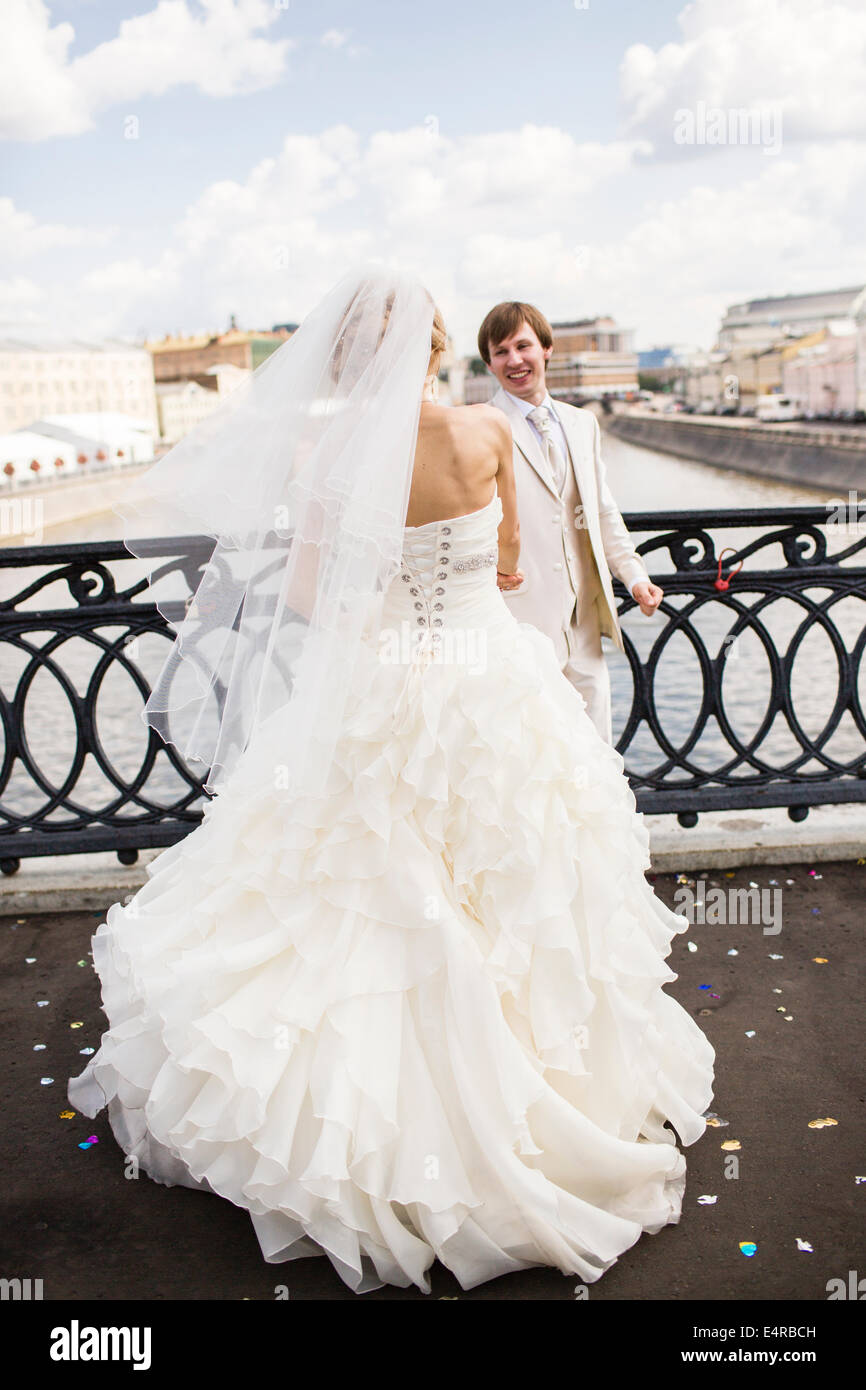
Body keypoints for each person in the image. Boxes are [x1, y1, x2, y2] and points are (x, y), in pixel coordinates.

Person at [68, 266, 714, 1296]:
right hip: (490, 676)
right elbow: (506, 565)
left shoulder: (325, 454)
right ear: (436, 346)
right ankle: (551, 1087)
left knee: (358, 883)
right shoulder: (488, 433)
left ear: (345, 358)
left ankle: (367, 1134)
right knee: (522, 871)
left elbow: (316, 597)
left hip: (387, 679)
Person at [479, 301, 664, 743]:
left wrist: (634, 576)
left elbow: (601, 511)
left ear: (546, 350)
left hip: (584, 628)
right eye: (501, 351)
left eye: (523, 346)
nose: (514, 360)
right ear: (488, 363)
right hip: (516, 625)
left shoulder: (583, 423)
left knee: (597, 756)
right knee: (530, 762)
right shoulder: (481, 427)